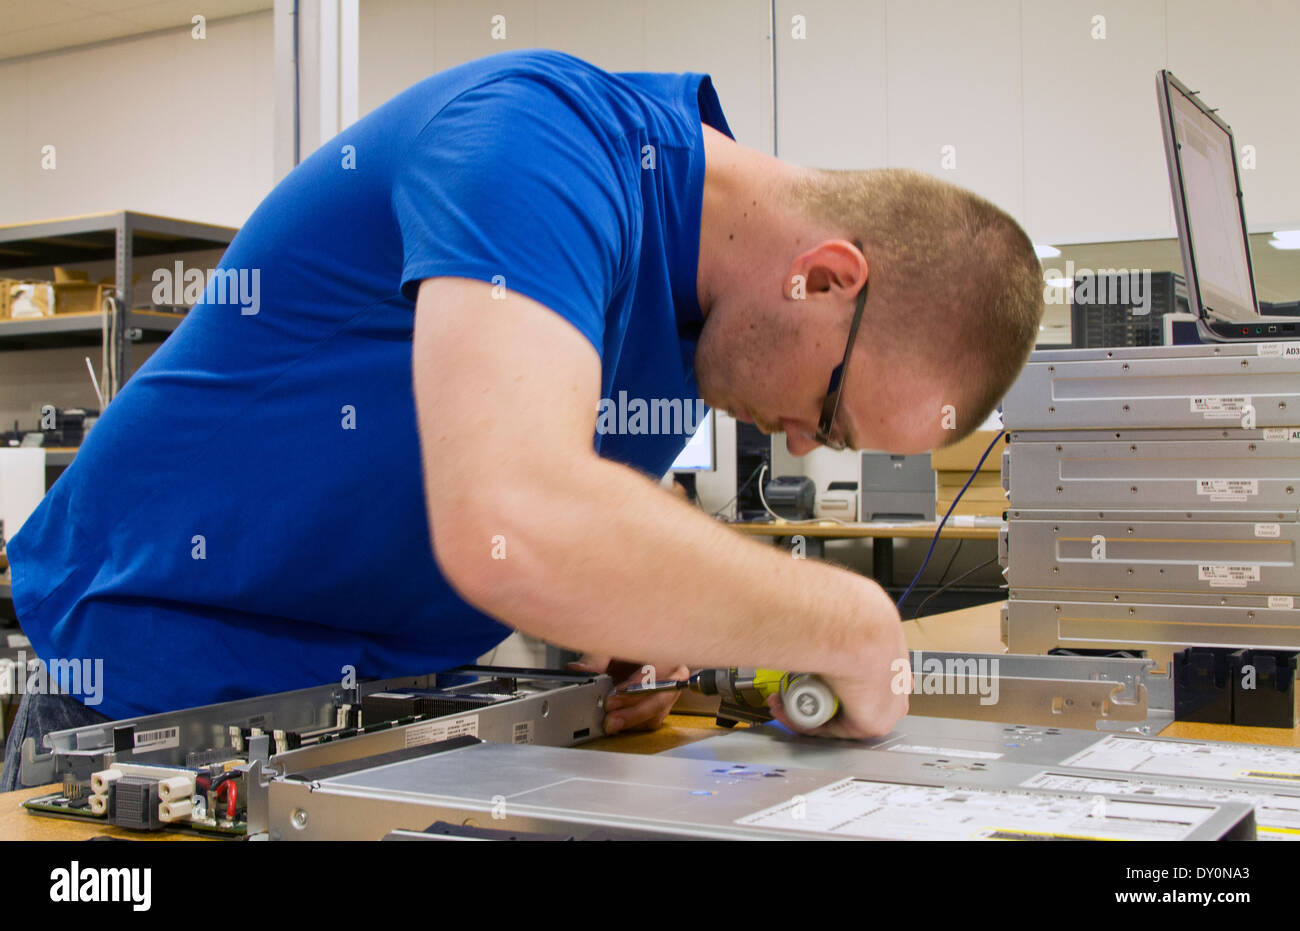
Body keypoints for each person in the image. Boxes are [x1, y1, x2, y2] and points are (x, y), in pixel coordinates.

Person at [1, 48, 1043, 790]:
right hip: (146, 693)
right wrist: (845, 619)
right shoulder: (533, 140)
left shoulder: (704, 325)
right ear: (822, 278)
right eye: (832, 414)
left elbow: (537, 534)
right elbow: (515, 514)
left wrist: (621, 633)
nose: (808, 445)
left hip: (370, 711)